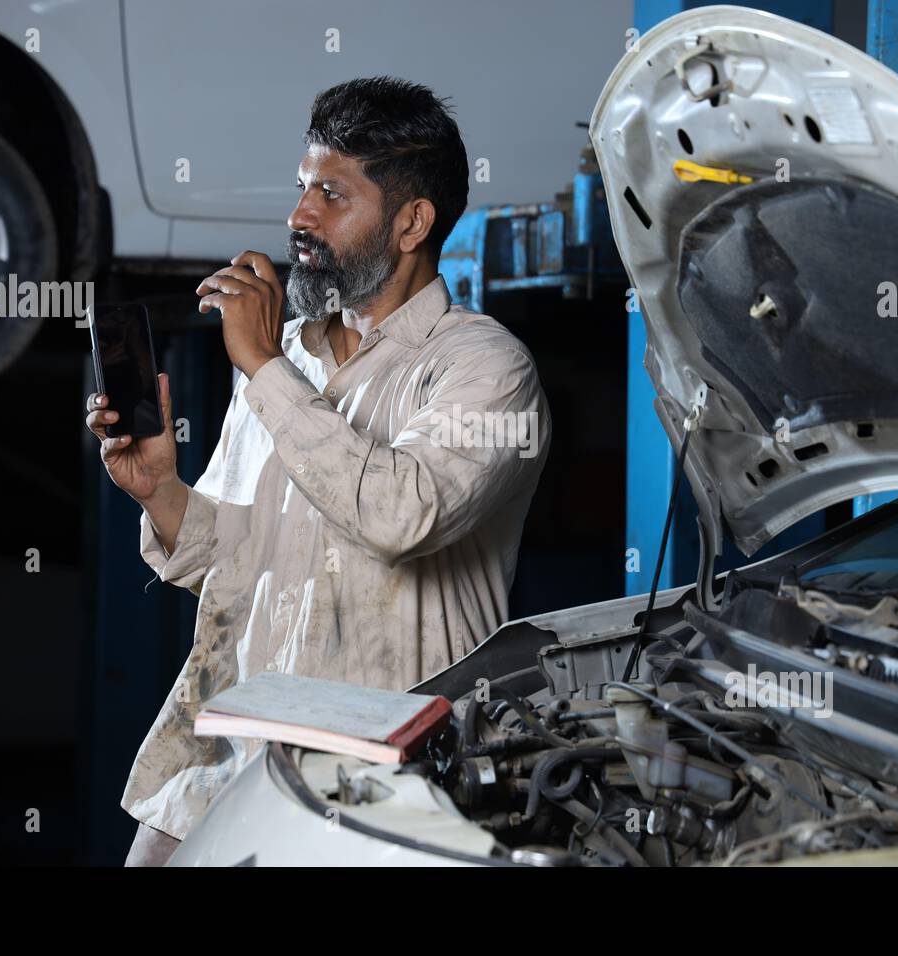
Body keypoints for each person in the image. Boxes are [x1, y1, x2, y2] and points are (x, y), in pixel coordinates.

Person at [85, 76, 551, 866]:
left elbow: (400, 518)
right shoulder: (285, 353)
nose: (299, 217)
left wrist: (264, 366)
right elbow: (233, 563)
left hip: (390, 771)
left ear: (411, 222)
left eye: (331, 195)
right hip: (233, 747)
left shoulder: (485, 367)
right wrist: (160, 491)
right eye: (302, 189)